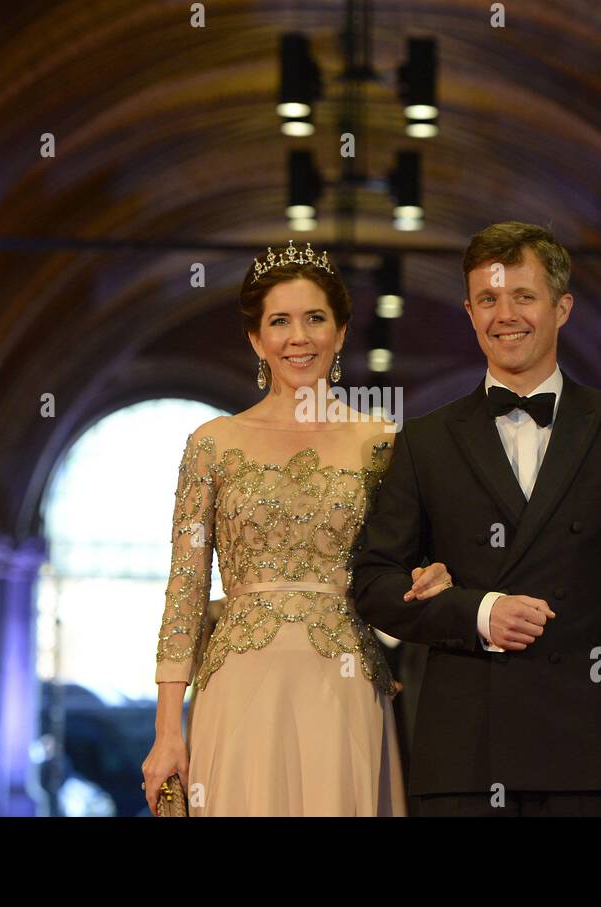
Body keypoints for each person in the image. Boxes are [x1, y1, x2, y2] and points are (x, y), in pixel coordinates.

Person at [350, 221, 601, 817]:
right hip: (464, 750)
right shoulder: (425, 441)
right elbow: (373, 585)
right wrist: (479, 611)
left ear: (562, 308)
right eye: (487, 299)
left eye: (523, 296)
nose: (504, 314)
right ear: (468, 311)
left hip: (590, 746)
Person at [141, 240, 452, 816]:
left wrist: (431, 577)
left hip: (345, 681)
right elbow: (183, 593)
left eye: (314, 318)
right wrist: (167, 731)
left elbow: (403, 566)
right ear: (257, 339)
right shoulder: (212, 444)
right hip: (237, 683)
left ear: (340, 331)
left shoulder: (381, 441)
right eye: (279, 321)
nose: (298, 337)